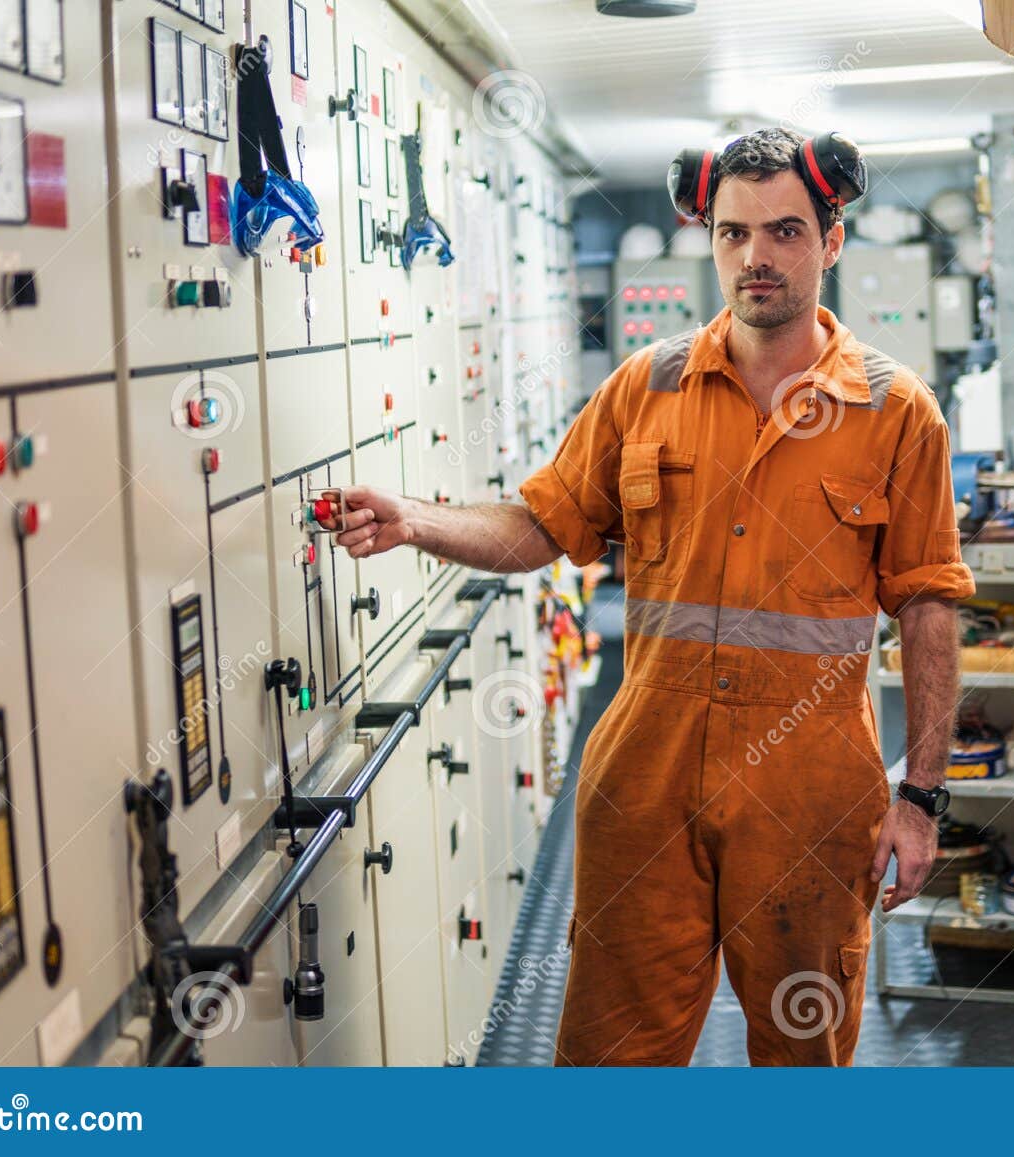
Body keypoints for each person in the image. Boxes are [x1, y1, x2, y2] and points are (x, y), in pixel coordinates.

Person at [331, 127, 974, 1065]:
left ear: (832, 242)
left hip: (809, 789)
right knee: (611, 1058)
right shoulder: (648, 387)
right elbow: (544, 524)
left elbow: (929, 607)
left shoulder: (895, 409)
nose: (756, 256)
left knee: (805, 1060)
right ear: (709, 239)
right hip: (644, 776)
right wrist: (416, 519)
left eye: (786, 231)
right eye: (734, 232)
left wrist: (920, 797)